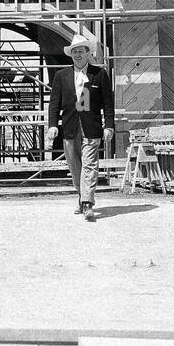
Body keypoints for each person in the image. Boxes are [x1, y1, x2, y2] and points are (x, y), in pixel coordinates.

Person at [46, 30, 114, 222]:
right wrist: (52, 125)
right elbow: (54, 104)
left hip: (91, 128)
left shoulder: (99, 74)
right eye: (75, 51)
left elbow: (107, 104)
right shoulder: (61, 76)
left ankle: (87, 203)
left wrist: (108, 126)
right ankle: (81, 194)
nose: (78, 54)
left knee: (90, 165)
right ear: (71, 54)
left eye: (81, 51)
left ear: (88, 53)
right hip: (69, 128)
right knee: (75, 166)